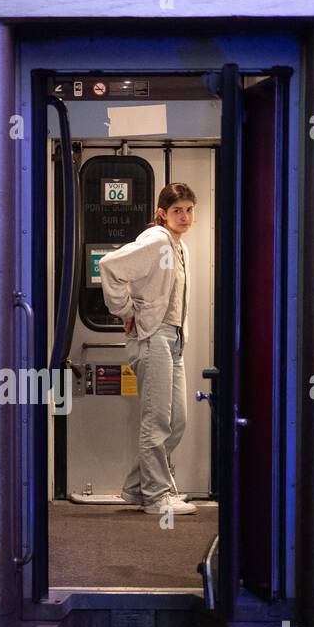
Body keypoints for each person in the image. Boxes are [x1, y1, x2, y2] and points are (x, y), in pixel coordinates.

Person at [98, 183, 197, 516]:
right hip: (153, 337)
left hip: (173, 338)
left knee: (176, 420)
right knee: (157, 420)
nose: (185, 216)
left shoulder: (179, 246)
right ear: (162, 213)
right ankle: (156, 497)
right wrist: (127, 311)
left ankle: (137, 488)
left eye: (189, 209)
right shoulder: (156, 241)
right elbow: (110, 265)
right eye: (177, 210)